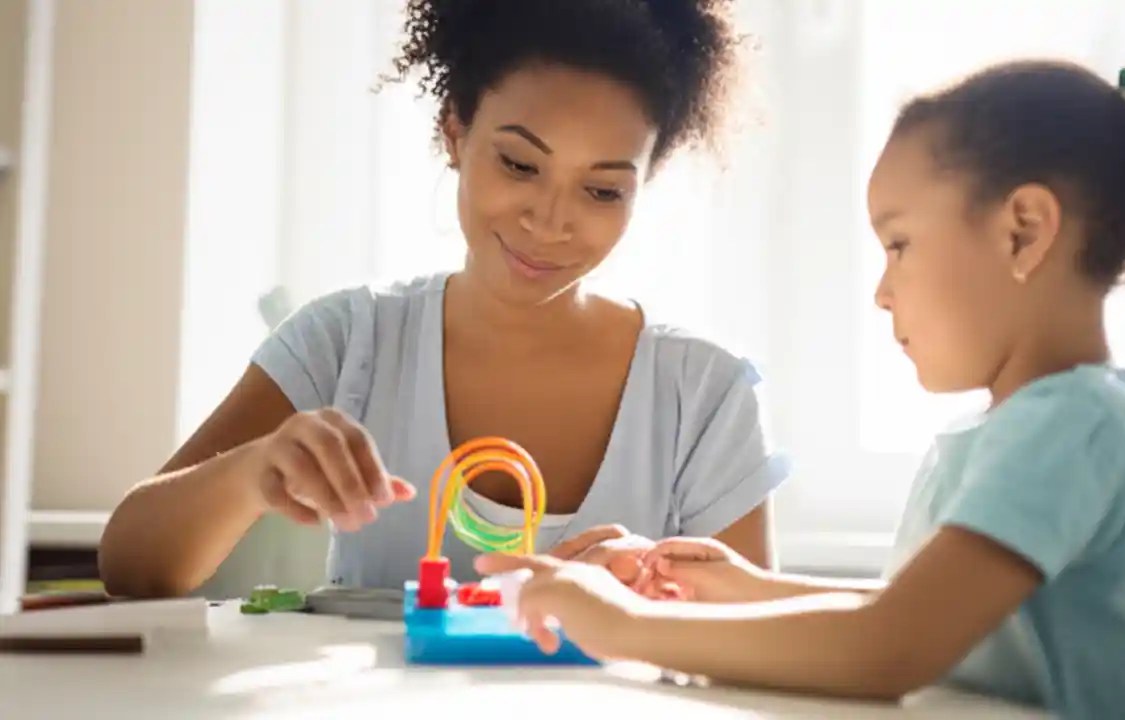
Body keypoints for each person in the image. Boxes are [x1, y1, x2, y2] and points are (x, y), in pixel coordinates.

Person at [475, 25, 1125, 720]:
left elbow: (890, 647)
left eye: (899, 244)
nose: (883, 291)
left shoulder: (1073, 427)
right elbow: (929, 619)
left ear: (1024, 232)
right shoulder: (1059, 422)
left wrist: (619, 625)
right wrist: (742, 587)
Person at [99, 0, 788, 598]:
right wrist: (253, 472)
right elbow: (131, 565)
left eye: (603, 190)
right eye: (519, 164)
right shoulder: (347, 342)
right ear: (455, 133)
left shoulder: (703, 394)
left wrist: (653, 594)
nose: (550, 221)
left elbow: (758, 639)